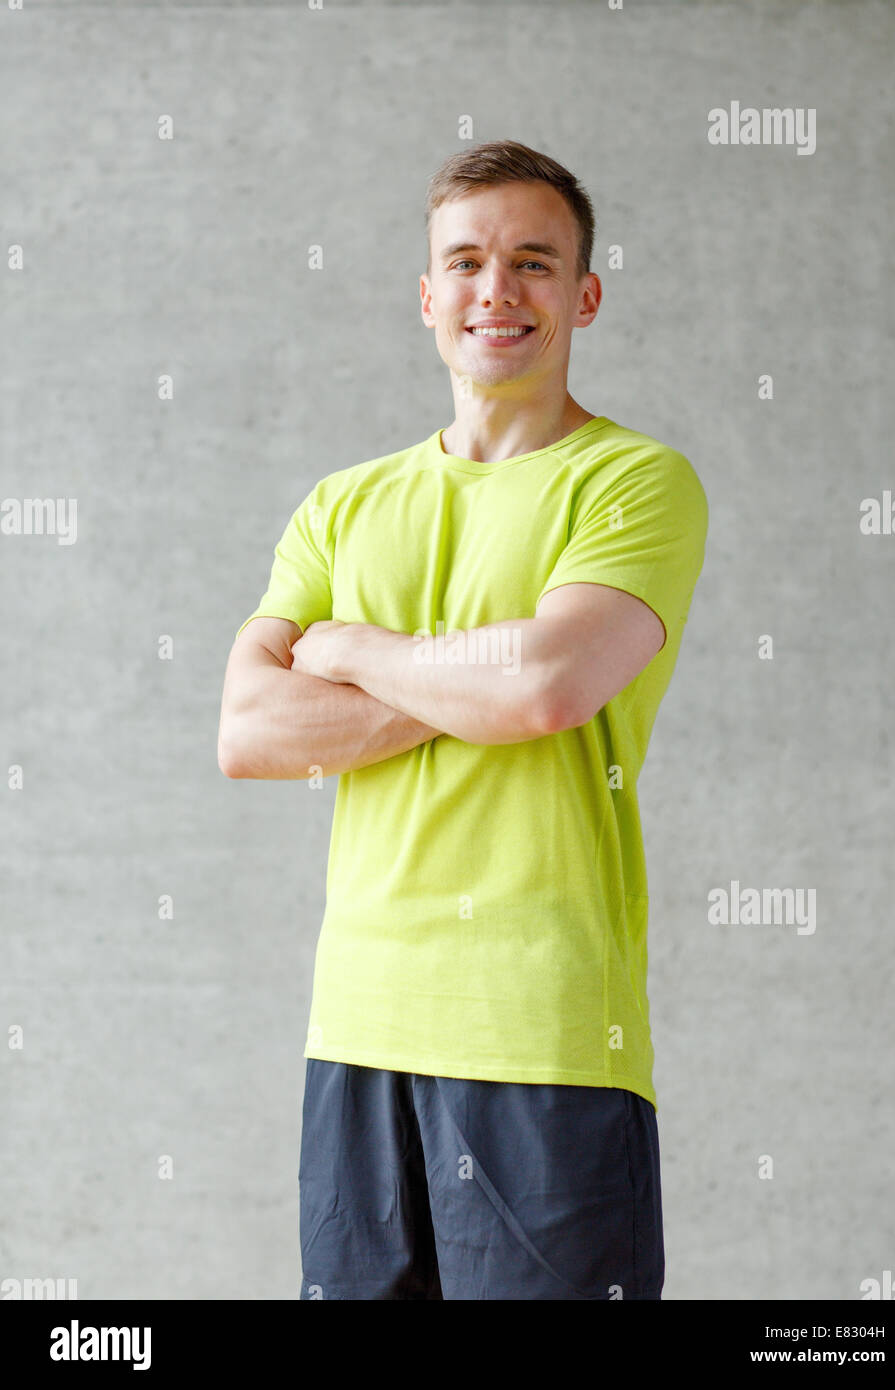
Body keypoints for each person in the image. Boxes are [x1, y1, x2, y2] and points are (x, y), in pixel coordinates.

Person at [217, 139, 708, 1300]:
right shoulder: (342, 506)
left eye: (535, 263)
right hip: (357, 1028)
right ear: (427, 294)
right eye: (468, 262)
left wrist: (357, 655)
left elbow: (544, 690)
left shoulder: (634, 482)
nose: (499, 291)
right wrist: (474, 683)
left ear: (583, 294)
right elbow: (247, 728)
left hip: (541, 1033)